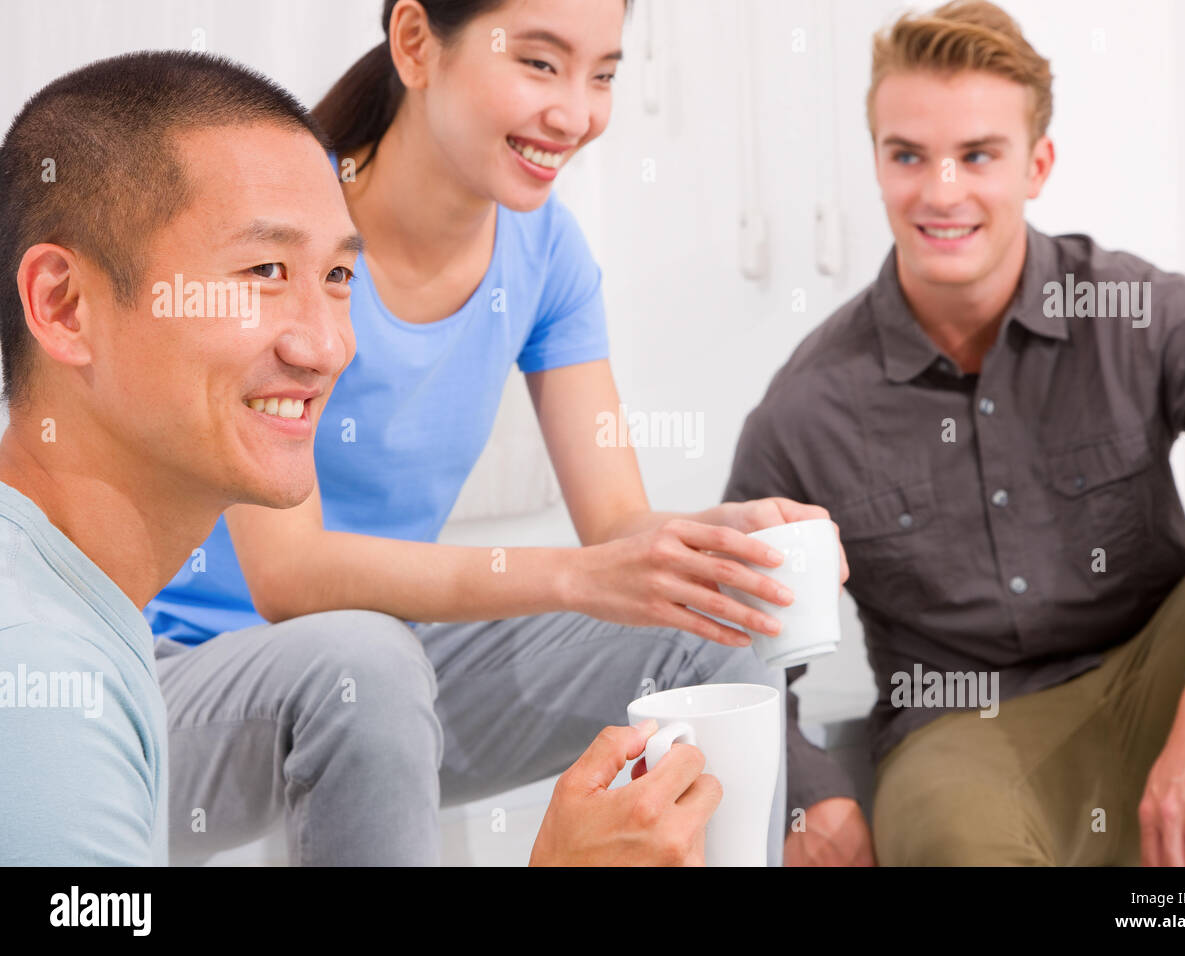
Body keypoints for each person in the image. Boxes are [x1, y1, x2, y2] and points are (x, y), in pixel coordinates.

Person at [145, 0, 846, 866]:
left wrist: (720, 547)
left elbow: (618, 522)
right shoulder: (288, 230)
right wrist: (574, 578)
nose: (576, 112)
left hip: (385, 676)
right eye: (540, 63)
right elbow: (290, 577)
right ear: (415, 44)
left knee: (712, 622)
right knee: (366, 658)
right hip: (186, 681)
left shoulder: (545, 252)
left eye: (604, 74)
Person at [0, 49, 723, 867]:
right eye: (264, 271)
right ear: (63, 305)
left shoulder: (74, 620)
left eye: (341, 274)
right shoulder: (37, 681)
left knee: (717, 619)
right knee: (369, 660)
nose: (331, 346)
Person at [726, 0, 1185, 866]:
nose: (941, 191)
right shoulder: (807, 410)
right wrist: (813, 795)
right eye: (909, 155)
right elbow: (736, 649)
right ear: (878, 165)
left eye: (977, 156)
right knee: (953, 840)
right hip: (963, 732)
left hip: (1163, 681)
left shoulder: (1130, 310)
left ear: (1037, 165)